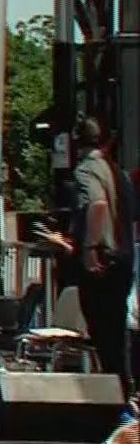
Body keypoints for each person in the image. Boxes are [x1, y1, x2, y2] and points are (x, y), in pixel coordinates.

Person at [69, 117, 133, 387]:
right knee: (118, 336)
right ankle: (125, 392)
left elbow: (97, 204)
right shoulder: (119, 172)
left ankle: (114, 400)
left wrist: (89, 248)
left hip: (102, 263)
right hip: (123, 259)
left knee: (102, 333)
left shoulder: (86, 171)